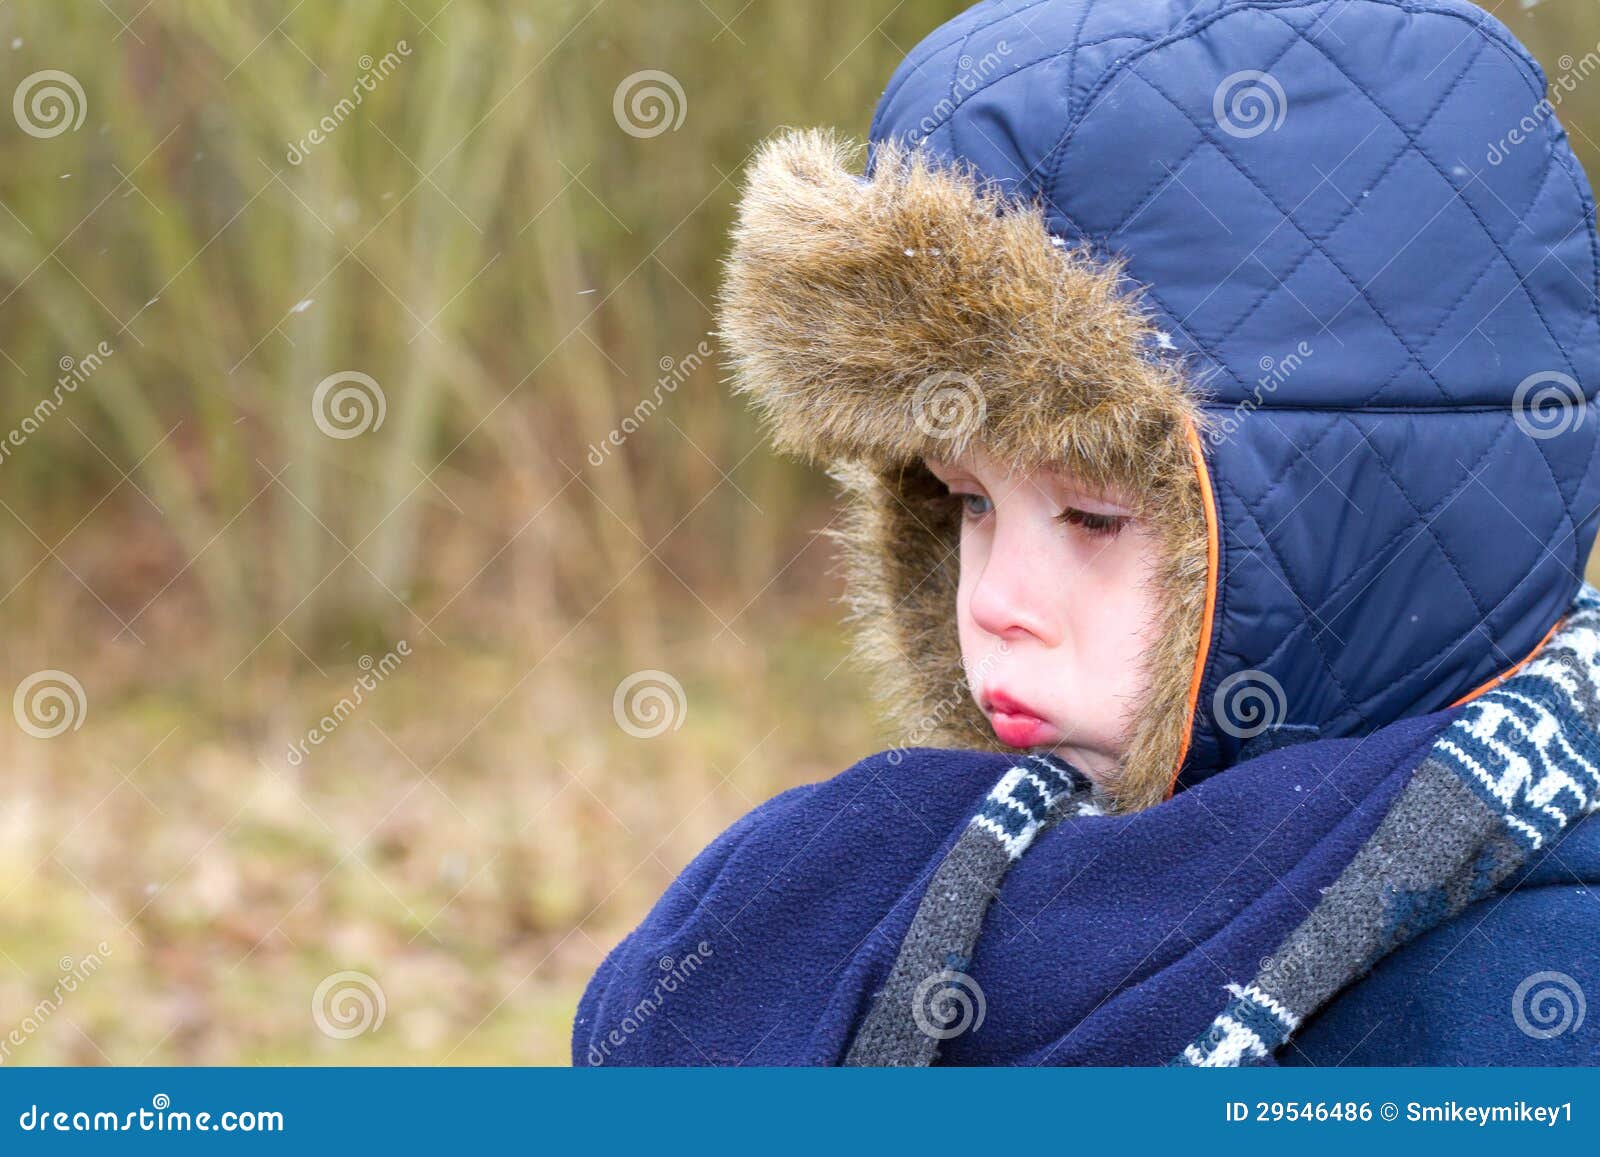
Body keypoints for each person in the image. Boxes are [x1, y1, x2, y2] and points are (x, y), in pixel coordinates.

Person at [573, 0, 1600, 1065]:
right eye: (967, 500)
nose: (992, 602)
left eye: (1094, 516)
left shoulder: (1529, 999)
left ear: (1377, 515)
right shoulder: (816, 904)